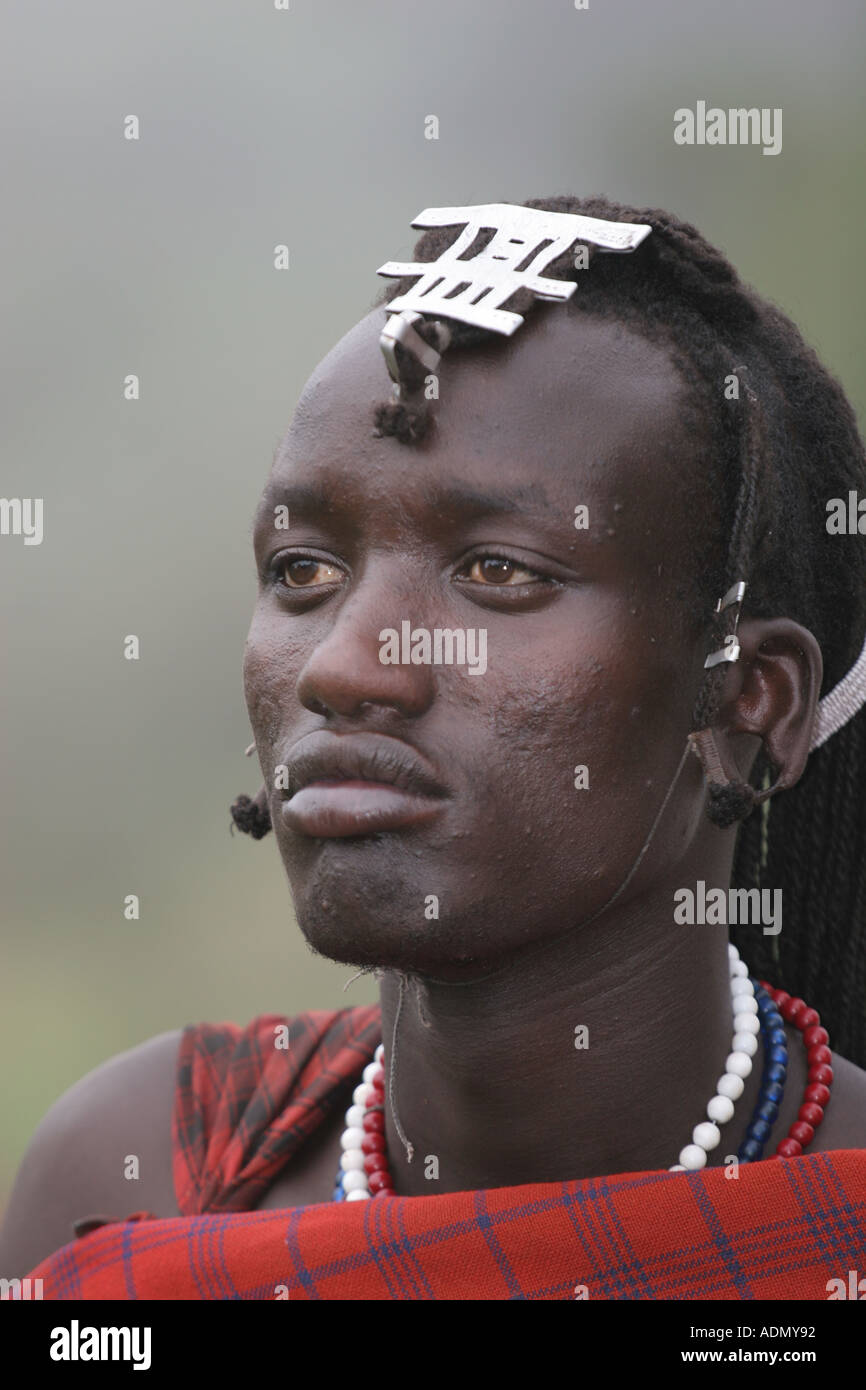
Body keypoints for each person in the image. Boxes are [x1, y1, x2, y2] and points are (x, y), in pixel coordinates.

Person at [3, 195, 866, 1301]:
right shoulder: (141, 1178)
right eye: (302, 569)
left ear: (749, 697)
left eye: (499, 571)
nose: (344, 666)